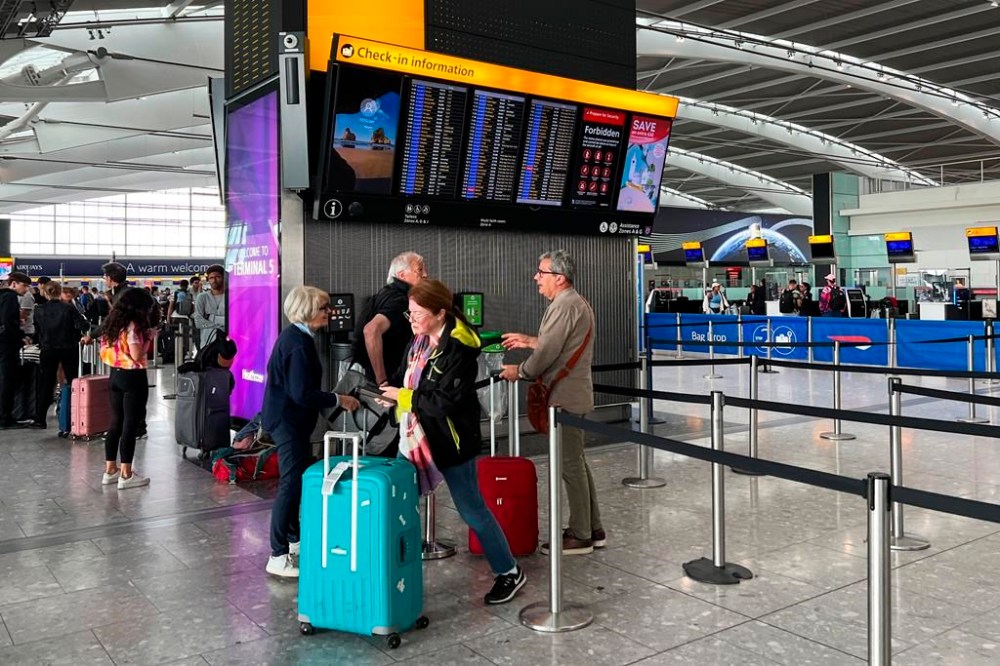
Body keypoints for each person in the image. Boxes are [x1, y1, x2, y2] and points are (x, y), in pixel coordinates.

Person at [380, 279, 526, 604]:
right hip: (416, 438)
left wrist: (404, 397)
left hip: (452, 443)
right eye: (410, 312)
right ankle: (394, 572)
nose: (412, 318)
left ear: (440, 313)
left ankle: (509, 572)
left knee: (473, 512)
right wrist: (389, 393)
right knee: (401, 507)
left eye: (417, 313)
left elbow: (444, 402)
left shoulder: (459, 348)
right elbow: (404, 376)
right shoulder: (418, 342)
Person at [500, 249, 602, 555]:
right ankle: (592, 528)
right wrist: (530, 340)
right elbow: (558, 344)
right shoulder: (572, 303)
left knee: (570, 465)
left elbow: (547, 355)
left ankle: (581, 534)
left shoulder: (564, 305)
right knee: (577, 463)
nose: (536, 278)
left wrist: (520, 370)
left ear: (558, 278)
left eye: (541, 272)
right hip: (573, 394)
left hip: (564, 399)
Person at [261, 286, 360, 578]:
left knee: (294, 482)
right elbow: (302, 393)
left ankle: (294, 542)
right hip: (288, 422)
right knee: (290, 486)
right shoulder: (298, 345)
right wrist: (338, 399)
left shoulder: (297, 338)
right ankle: (277, 554)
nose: (330, 313)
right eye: (324, 308)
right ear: (306, 311)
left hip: (289, 420)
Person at [97, 288, 160, 489]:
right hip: (133, 376)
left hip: (115, 374)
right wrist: (150, 337)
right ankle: (126, 473)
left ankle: (110, 470)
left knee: (115, 423)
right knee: (130, 425)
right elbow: (135, 354)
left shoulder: (111, 323)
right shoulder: (133, 326)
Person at [353, 252, 428, 387]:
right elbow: (370, 330)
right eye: (420, 270)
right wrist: (382, 381)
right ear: (401, 275)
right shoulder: (399, 299)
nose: (425, 275)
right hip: (392, 377)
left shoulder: (384, 293)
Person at [31, 281, 89, 431]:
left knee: (46, 383)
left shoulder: (39, 310)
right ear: (59, 292)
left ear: (45, 292)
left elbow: (37, 330)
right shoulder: (68, 308)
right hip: (68, 348)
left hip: (47, 349)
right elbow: (84, 326)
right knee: (72, 381)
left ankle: (40, 419)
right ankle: (73, 416)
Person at [0, 272, 32, 429]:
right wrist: (20, 336)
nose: (26, 289)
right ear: (13, 283)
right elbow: (8, 320)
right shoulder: (11, 297)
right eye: (24, 285)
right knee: (7, 380)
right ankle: (5, 417)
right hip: (8, 344)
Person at [194, 264, 226, 348]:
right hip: (207, 342)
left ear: (224, 278)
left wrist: (211, 318)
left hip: (227, 344)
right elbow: (198, 322)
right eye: (211, 278)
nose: (214, 280)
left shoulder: (231, 297)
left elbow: (236, 320)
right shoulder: (202, 297)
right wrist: (221, 326)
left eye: (218, 277)